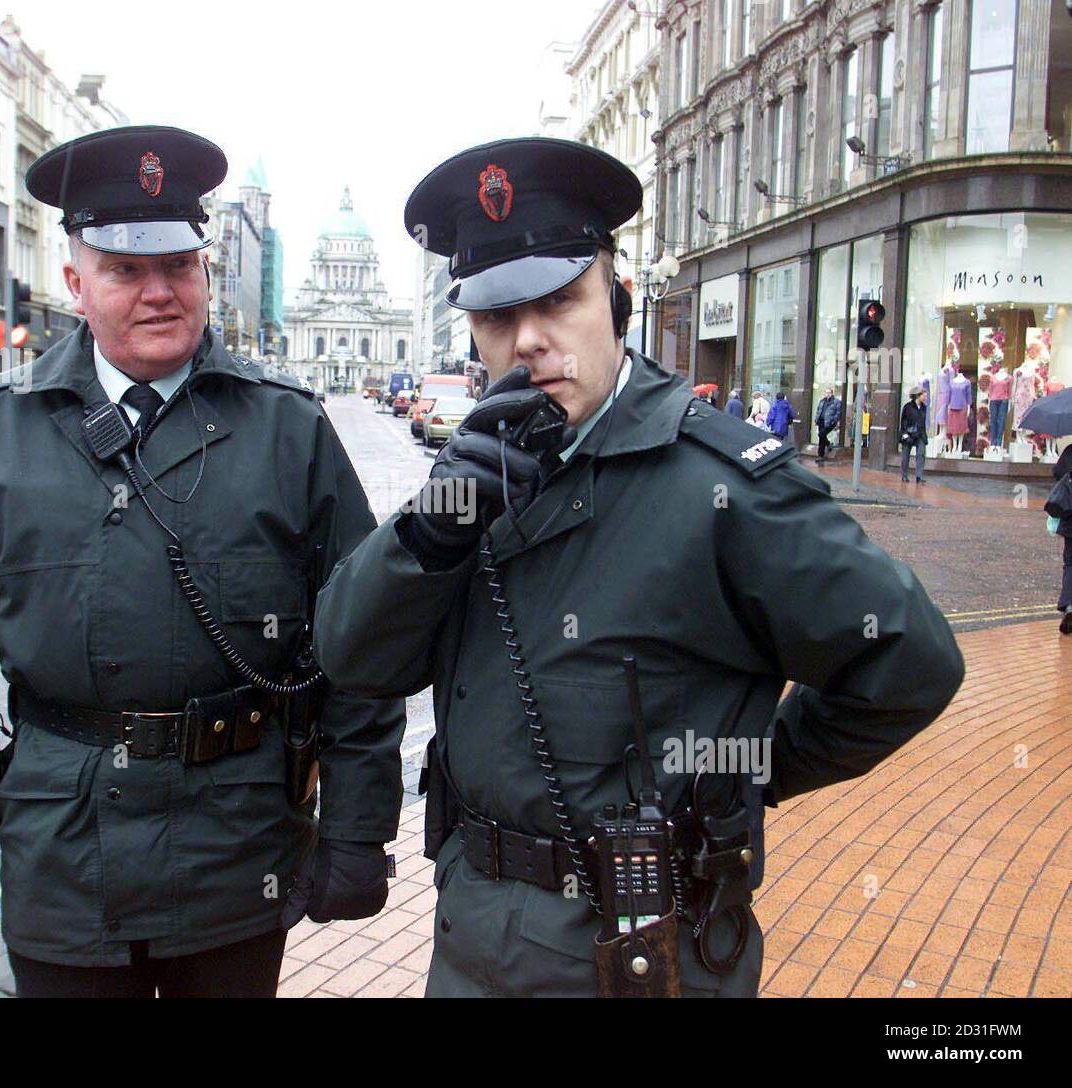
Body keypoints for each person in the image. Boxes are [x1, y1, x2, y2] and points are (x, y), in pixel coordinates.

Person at [311, 136, 965, 997]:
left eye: (560, 302)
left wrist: (741, 773)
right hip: (470, 941)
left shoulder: (722, 484)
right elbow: (351, 658)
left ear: (616, 300)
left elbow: (908, 663)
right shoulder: (471, 477)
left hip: (649, 956)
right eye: (498, 318)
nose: (530, 342)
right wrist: (430, 537)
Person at [0, 126, 406, 999]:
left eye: (181, 265)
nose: (160, 292)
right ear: (75, 281)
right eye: (126, 270)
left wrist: (356, 828)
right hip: (62, 853)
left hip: (236, 851)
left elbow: (360, 643)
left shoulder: (289, 428)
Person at [1053, 442, 1072, 635]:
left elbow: (1057, 471)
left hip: (1070, 519)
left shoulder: (1070, 452)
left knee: (1070, 563)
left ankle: (1069, 605)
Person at [899, 387, 928, 483]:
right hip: (909, 434)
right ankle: (904, 475)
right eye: (924, 395)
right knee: (905, 455)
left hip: (919, 435)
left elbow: (922, 422)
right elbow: (903, 421)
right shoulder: (908, 407)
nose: (925, 397)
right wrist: (904, 433)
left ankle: (919, 476)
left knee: (921, 454)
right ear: (918, 396)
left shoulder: (924, 407)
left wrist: (924, 435)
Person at [814, 387, 840, 462]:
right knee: (821, 437)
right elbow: (818, 410)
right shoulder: (822, 401)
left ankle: (827, 445)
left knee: (821, 434)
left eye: (829, 393)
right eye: (826, 392)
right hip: (821, 421)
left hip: (829, 422)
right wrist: (816, 419)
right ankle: (821, 455)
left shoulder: (836, 402)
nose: (827, 394)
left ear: (832, 393)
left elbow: (838, 413)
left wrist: (834, 421)